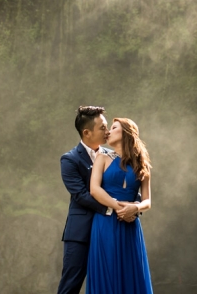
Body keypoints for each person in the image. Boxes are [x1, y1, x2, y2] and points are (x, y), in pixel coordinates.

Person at [57, 106, 140, 294]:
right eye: (102, 127)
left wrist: (134, 207)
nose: (108, 131)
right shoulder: (69, 160)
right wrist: (115, 209)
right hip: (81, 233)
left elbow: (130, 185)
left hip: (111, 230)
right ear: (87, 132)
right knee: (71, 285)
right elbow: (81, 195)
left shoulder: (113, 156)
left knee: (113, 282)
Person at [87, 117, 153, 294]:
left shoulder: (142, 165)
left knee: (132, 273)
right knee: (107, 271)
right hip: (105, 222)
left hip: (130, 225)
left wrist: (136, 208)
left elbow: (147, 201)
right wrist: (120, 207)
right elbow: (94, 190)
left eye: (114, 127)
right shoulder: (102, 158)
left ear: (125, 133)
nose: (108, 131)